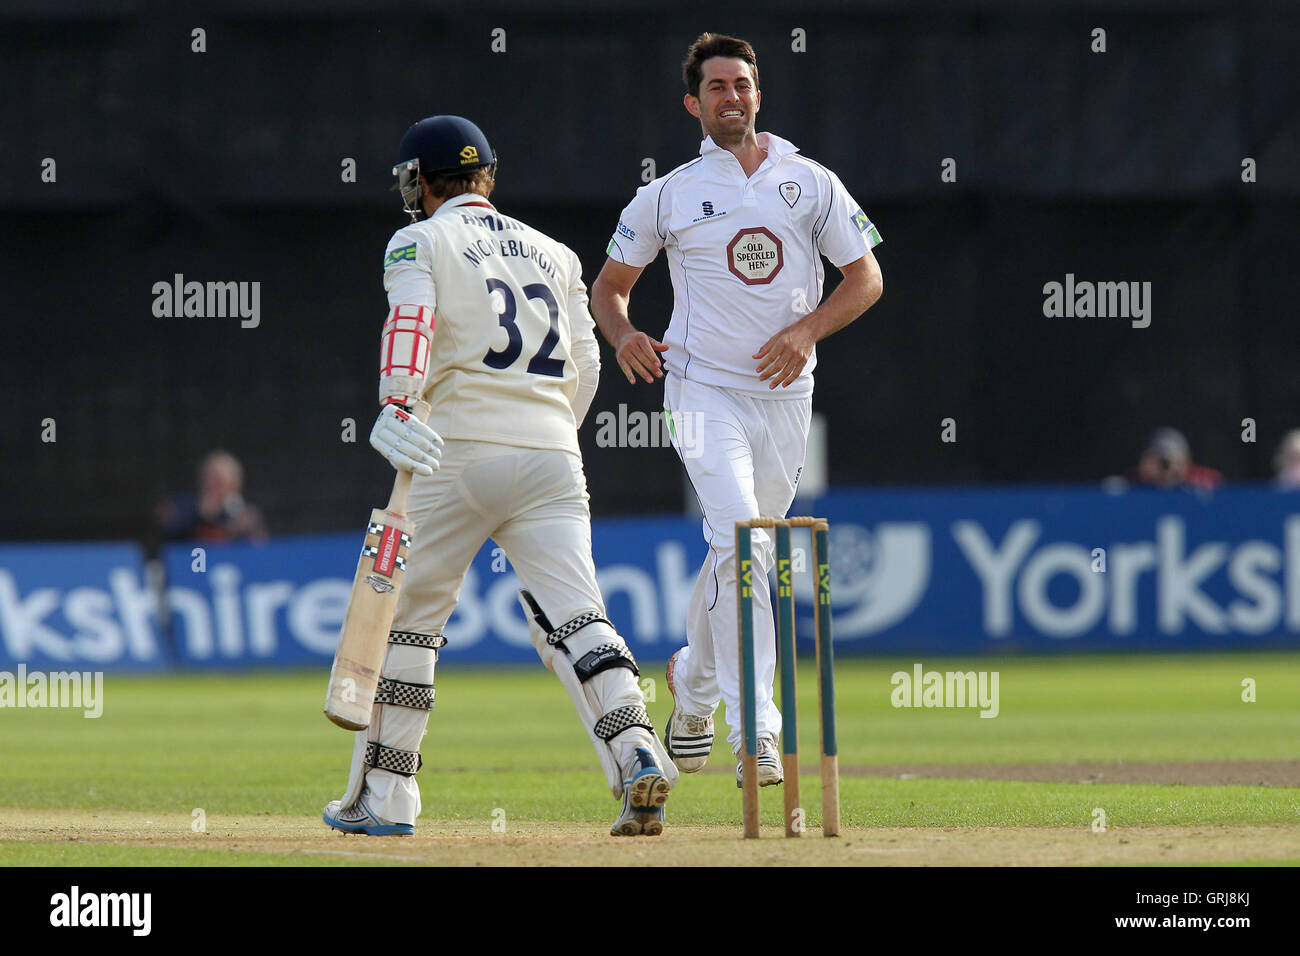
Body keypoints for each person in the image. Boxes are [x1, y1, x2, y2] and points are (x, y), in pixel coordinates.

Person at [322, 115, 676, 838]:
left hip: (452, 451)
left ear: (420, 183)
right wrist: (545, 437)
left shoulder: (418, 239)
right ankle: (638, 746)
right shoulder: (556, 253)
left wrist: (396, 403)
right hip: (552, 452)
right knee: (579, 618)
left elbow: (411, 322)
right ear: (488, 176)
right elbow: (586, 366)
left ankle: (385, 797)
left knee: (410, 626)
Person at [590, 34, 883, 790]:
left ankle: (691, 684)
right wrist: (623, 335)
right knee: (746, 543)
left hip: (786, 396)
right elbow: (609, 287)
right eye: (716, 87)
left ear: (759, 95)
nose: (732, 97)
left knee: (739, 550)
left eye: (742, 85)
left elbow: (865, 278)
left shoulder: (810, 182)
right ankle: (756, 727)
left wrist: (804, 331)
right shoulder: (669, 193)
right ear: (694, 104)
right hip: (699, 390)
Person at [156, 450, 268, 543]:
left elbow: (260, 548)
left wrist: (250, 529)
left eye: (222, 481)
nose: (216, 486)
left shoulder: (241, 512)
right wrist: (202, 513)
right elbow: (167, 529)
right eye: (212, 479)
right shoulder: (184, 505)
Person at [1124, 428, 1223, 491]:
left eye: (1168, 461)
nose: (1164, 467)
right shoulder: (1135, 477)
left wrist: (1180, 477)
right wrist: (1145, 476)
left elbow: (1218, 485)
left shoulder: (1198, 476)